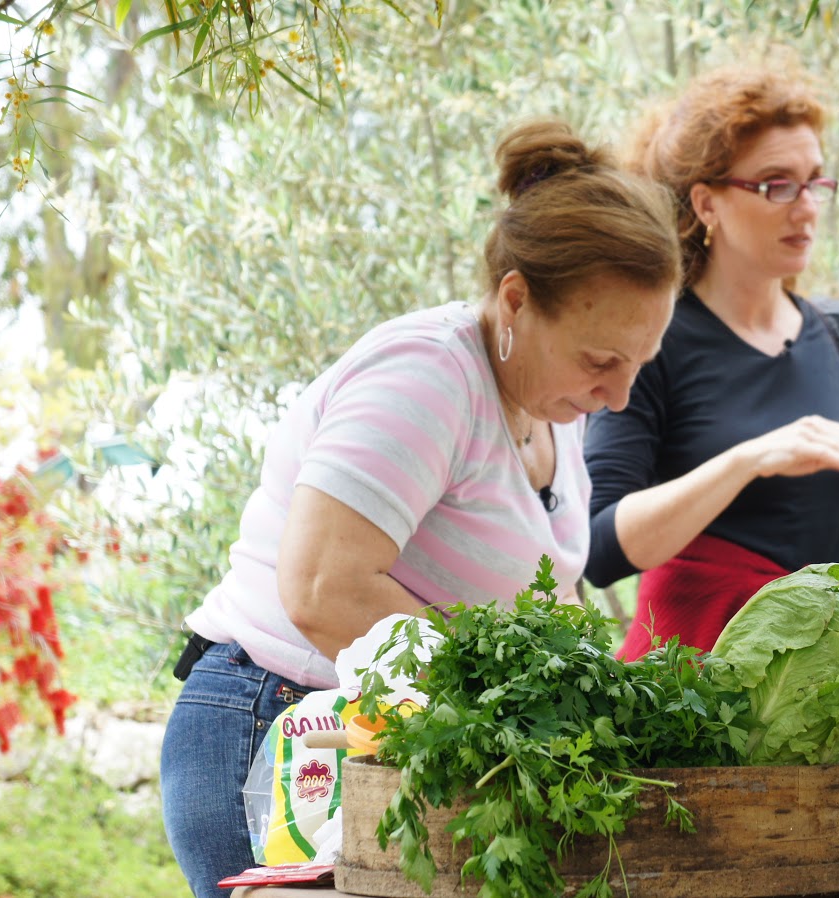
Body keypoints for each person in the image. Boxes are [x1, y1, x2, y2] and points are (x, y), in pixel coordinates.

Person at [160, 119, 681, 897]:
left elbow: (552, 600)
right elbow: (321, 589)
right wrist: (519, 699)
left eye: (639, 363)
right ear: (515, 301)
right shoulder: (427, 378)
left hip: (394, 738)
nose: (619, 394)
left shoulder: (551, 407)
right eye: (601, 360)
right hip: (286, 722)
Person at [584, 64, 839, 660]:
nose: (807, 208)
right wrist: (750, 459)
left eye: (815, 182)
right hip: (700, 682)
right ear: (707, 202)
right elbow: (599, 546)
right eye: (776, 185)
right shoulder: (653, 340)